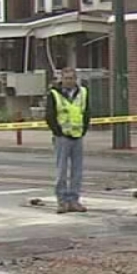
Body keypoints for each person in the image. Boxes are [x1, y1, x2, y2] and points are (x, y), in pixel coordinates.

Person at [45, 67, 91, 213]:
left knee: (77, 171)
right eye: (66, 78)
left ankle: (74, 200)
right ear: (62, 79)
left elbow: (87, 112)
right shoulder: (54, 94)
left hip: (77, 136)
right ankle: (62, 201)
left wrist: (83, 130)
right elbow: (50, 115)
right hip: (62, 137)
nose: (69, 81)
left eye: (72, 78)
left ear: (75, 79)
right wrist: (57, 132)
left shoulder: (82, 93)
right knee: (62, 171)